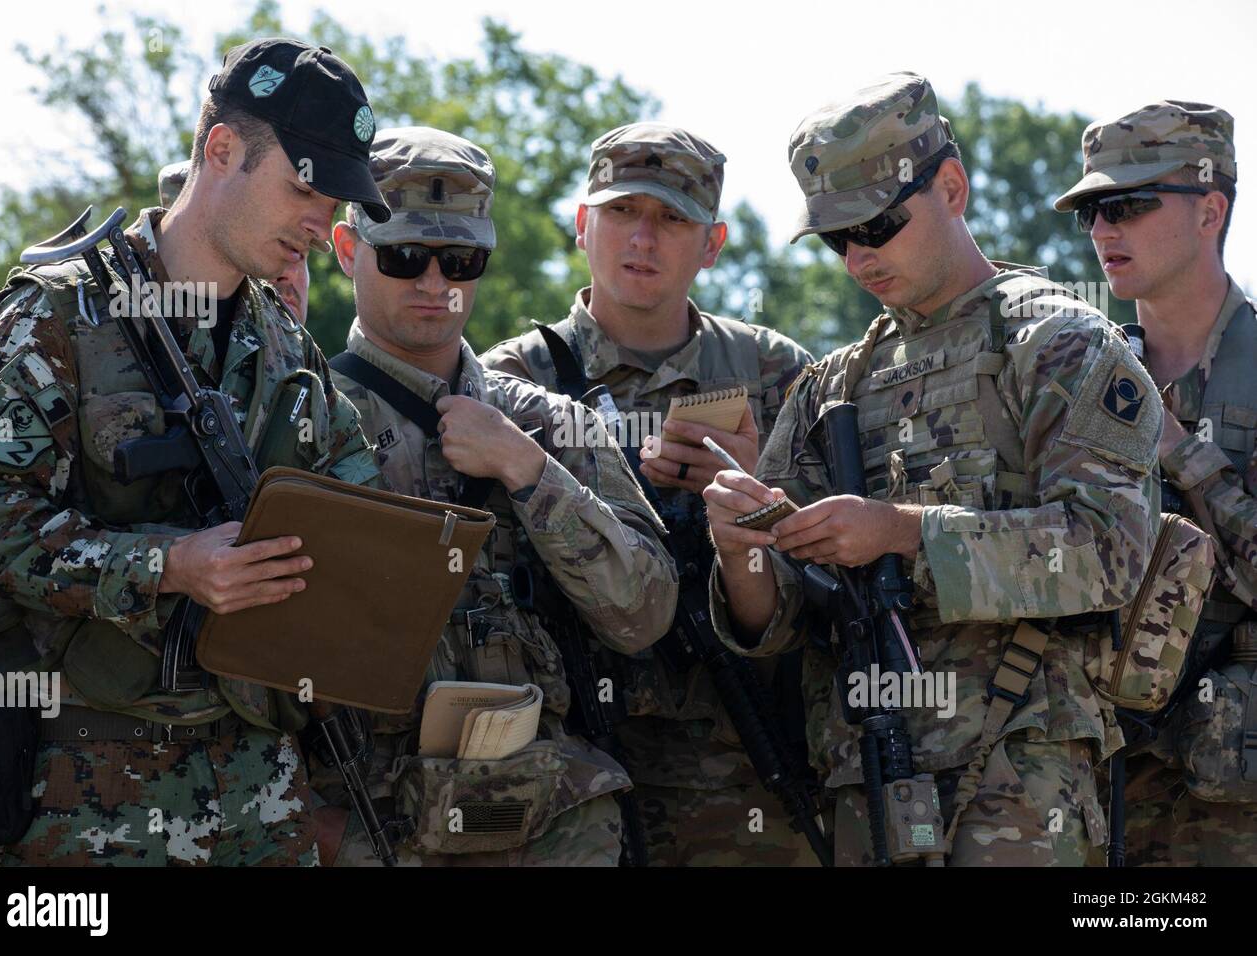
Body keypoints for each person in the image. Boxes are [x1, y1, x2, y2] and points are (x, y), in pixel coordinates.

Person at [704, 72, 1162, 865]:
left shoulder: (1058, 344)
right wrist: (741, 544)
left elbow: (1112, 550)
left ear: (951, 187)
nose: (858, 256)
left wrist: (903, 533)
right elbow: (776, 618)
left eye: (879, 225)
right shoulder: (833, 383)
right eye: (839, 238)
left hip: (1021, 778)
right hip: (869, 778)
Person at [0, 37, 385, 866]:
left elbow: (358, 512)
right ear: (220, 149)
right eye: (303, 187)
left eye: (333, 203)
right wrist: (168, 567)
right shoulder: (55, 316)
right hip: (78, 794)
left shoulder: (287, 346)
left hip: (258, 787)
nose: (319, 222)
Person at [323, 125, 678, 866]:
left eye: (460, 260)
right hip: (370, 823)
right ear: (346, 249)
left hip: (553, 818)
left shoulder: (551, 423)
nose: (433, 282)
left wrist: (530, 471)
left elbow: (644, 613)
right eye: (402, 256)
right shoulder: (306, 421)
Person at [483, 123, 819, 865]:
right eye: (623, 212)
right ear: (581, 226)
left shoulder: (774, 371)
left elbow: (823, 580)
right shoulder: (511, 382)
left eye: (673, 219)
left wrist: (756, 495)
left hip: (745, 766)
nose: (645, 238)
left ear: (713, 244)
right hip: (571, 768)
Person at [1055, 101, 1257, 865]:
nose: (1106, 230)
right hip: (1092, 778)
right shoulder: (1075, 373)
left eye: (1131, 205)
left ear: (1210, 210)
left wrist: (1180, 452)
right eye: (1094, 211)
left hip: (1228, 796)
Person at [159, 159, 313, 323]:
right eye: (267, 247)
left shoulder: (302, 345)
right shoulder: (136, 304)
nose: (284, 273)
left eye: (297, 252)